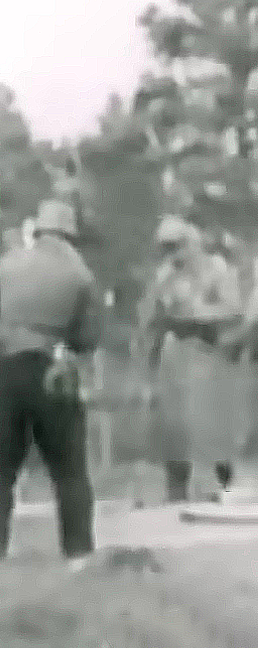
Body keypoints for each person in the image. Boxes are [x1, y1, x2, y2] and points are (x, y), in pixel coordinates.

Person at [0, 199, 103, 570]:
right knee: (69, 470)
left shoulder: (7, 263)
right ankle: (77, 554)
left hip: (5, 368)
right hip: (52, 370)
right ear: (70, 233)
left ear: (38, 230)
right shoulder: (81, 274)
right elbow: (88, 337)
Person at [138, 215, 245, 503]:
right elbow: (151, 323)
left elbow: (234, 311)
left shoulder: (217, 270)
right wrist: (148, 372)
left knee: (214, 426)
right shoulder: (164, 276)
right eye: (167, 247)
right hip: (174, 358)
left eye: (178, 245)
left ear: (192, 242)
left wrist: (197, 314)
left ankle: (224, 489)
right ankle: (176, 492)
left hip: (210, 355)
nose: (174, 253)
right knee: (174, 429)